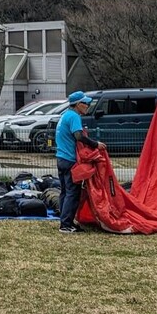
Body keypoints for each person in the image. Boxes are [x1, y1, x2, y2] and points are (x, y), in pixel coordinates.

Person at [54, 91, 104, 234]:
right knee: (73, 193)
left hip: (60, 158)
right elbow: (78, 136)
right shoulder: (74, 116)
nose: (88, 106)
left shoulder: (64, 116)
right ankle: (66, 225)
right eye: (86, 103)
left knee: (64, 192)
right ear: (78, 105)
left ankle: (64, 221)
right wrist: (95, 144)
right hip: (70, 160)